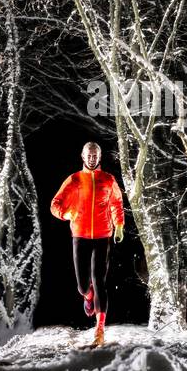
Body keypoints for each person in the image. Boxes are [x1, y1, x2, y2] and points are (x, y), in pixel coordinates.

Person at [50, 141, 124, 347]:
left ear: (100, 157)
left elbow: (117, 203)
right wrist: (66, 213)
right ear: (83, 157)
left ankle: (99, 329)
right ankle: (87, 296)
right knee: (83, 285)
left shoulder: (108, 180)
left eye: (95, 155)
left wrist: (119, 225)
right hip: (80, 236)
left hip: (103, 236)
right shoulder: (74, 179)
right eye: (88, 155)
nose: (92, 158)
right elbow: (54, 205)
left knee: (99, 279)